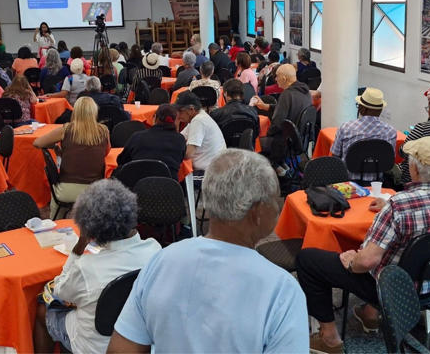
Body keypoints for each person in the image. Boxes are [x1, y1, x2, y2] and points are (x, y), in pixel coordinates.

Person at [109, 149, 311, 353]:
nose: (278, 206)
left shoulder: (161, 262)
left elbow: (121, 349)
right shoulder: (282, 291)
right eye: (276, 199)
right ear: (257, 212)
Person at [296, 136, 430, 353]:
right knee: (394, 251)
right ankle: (370, 314)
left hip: (391, 290)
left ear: (415, 169)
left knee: (308, 260)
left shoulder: (399, 205)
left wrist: (350, 261)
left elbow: (366, 262)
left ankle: (330, 338)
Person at [33, 179, 161, 353]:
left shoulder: (87, 267)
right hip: (137, 341)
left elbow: (60, 292)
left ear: (90, 229)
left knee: (42, 311)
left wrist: (78, 249)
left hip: (93, 347)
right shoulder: (154, 249)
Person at [33, 97, 110, 216]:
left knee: (57, 203)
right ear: (94, 112)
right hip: (95, 190)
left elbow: (37, 143)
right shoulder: (103, 131)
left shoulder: (66, 129)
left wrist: (55, 148)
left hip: (66, 190)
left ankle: (57, 222)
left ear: (75, 111)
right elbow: (105, 152)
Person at [330, 88, 398, 182]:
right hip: (377, 183)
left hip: (348, 182)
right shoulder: (391, 132)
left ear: (362, 108)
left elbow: (335, 156)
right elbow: (388, 160)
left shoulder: (346, 128)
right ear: (380, 110)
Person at [253, 65, 312, 172]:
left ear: (284, 78)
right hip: (300, 139)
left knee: (258, 140)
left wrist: (268, 133)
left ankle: (275, 170)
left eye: (277, 76)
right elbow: (292, 109)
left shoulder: (287, 94)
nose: (275, 79)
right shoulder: (305, 91)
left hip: (286, 142)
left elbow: (277, 123)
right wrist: (266, 106)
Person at [117, 104, 186, 179]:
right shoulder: (180, 140)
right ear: (175, 121)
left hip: (137, 185)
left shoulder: (137, 137)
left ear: (155, 118)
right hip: (168, 186)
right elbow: (179, 160)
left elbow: (121, 160)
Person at [174, 91, 226, 172]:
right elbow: (178, 138)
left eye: (180, 111)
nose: (178, 115)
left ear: (191, 109)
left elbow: (188, 154)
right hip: (213, 168)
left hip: (209, 174)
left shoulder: (198, 121)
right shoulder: (198, 117)